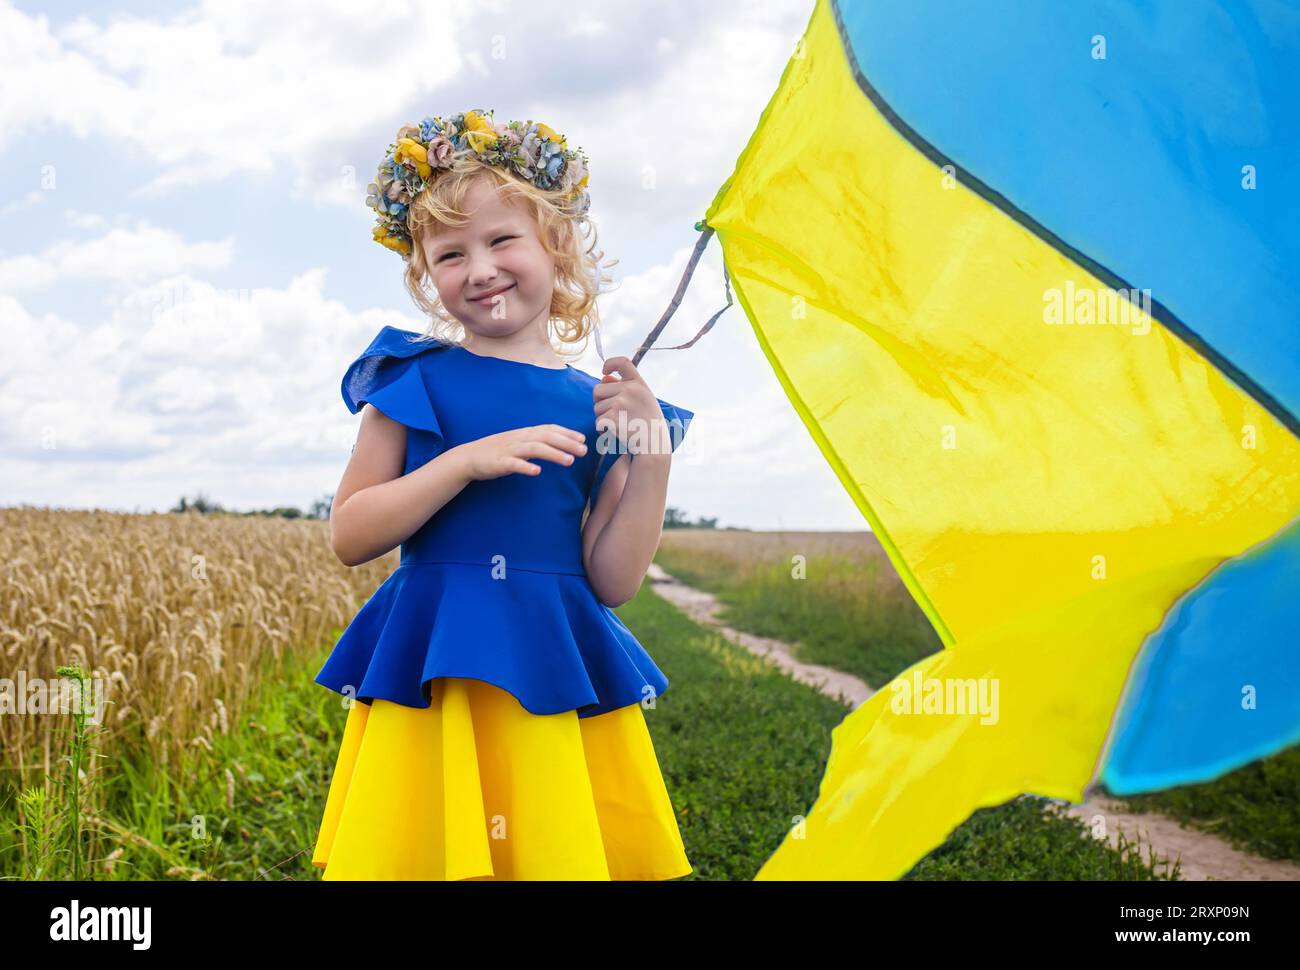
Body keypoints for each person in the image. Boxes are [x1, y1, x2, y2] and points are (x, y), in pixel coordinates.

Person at [310, 110, 694, 880]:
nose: (479, 268)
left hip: (547, 663)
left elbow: (613, 580)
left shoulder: (601, 407)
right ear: (426, 276)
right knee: (427, 850)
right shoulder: (409, 380)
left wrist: (650, 459)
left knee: (545, 852)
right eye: (451, 254)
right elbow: (351, 535)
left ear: (557, 248)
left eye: (501, 240)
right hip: (437, 662)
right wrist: (461, 463)